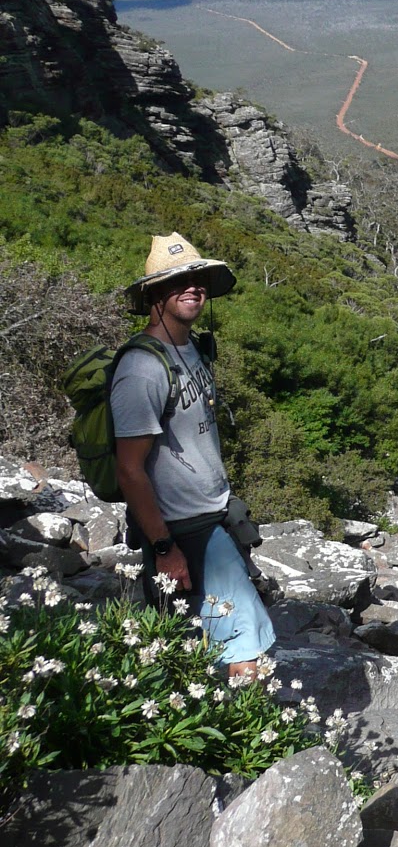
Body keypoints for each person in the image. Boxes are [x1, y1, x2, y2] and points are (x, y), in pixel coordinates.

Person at [112, 233, 275, 679]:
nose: (194, 288)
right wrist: (165, 547)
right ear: (154, 295)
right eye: (178, 281)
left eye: (199, 279)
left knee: (196, 644)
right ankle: (254, 741)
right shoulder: (142, 368)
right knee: (243, 650)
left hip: (214, 516)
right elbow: (129, 468)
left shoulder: (191, 350)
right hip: (185, 529)